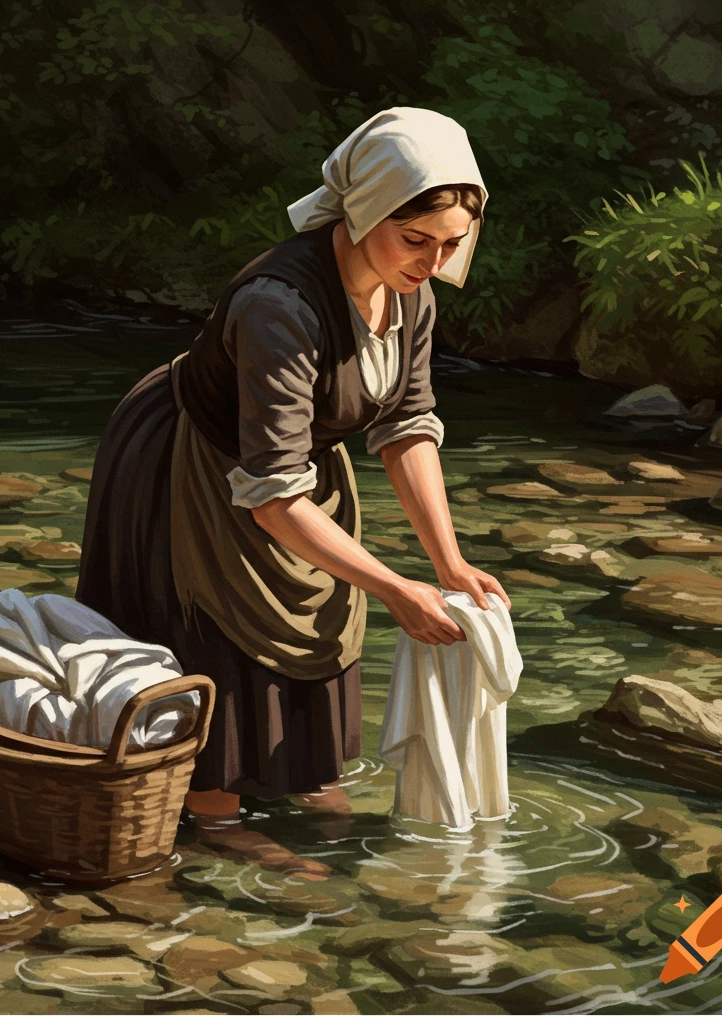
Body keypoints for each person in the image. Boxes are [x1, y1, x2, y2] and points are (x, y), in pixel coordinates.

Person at [76, 106, 511, 876]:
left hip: (300, 464)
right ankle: (214, 813)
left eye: (450, 244)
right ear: (366, 210)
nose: (434, 260)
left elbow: (407, 426)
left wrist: (445, 564)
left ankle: (307, 780)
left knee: (321, 614)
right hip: (198, 465)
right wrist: (396, 589)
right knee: (224, 622)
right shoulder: (280, 304)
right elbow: (273, 496)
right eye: (416, 240)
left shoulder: (413, 292)